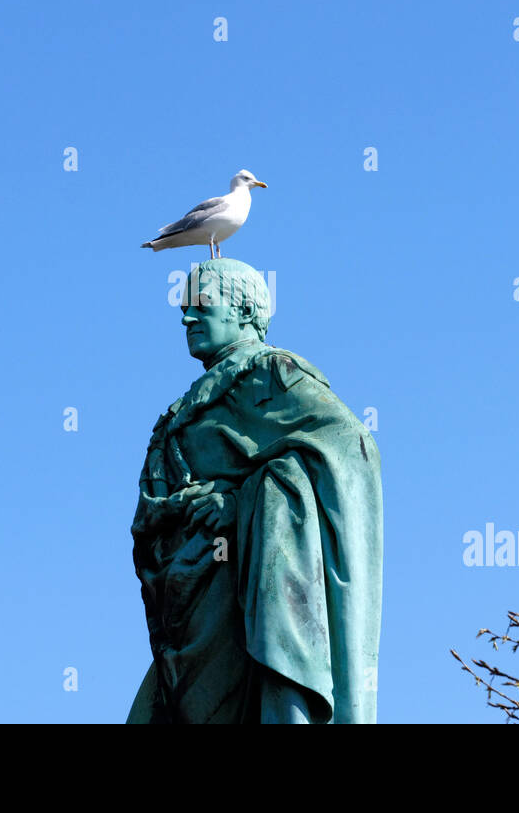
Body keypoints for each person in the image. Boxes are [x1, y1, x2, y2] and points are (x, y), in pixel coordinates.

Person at [128, 259, 383, 723]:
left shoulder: (272, 375)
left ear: (245, 309)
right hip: (185, 601)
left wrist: (244, 502)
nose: (186, 318)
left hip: (241, 590)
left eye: (201, 305)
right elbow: (151, 512)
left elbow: (351, 447)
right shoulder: (176, 412)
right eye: (183, 308)